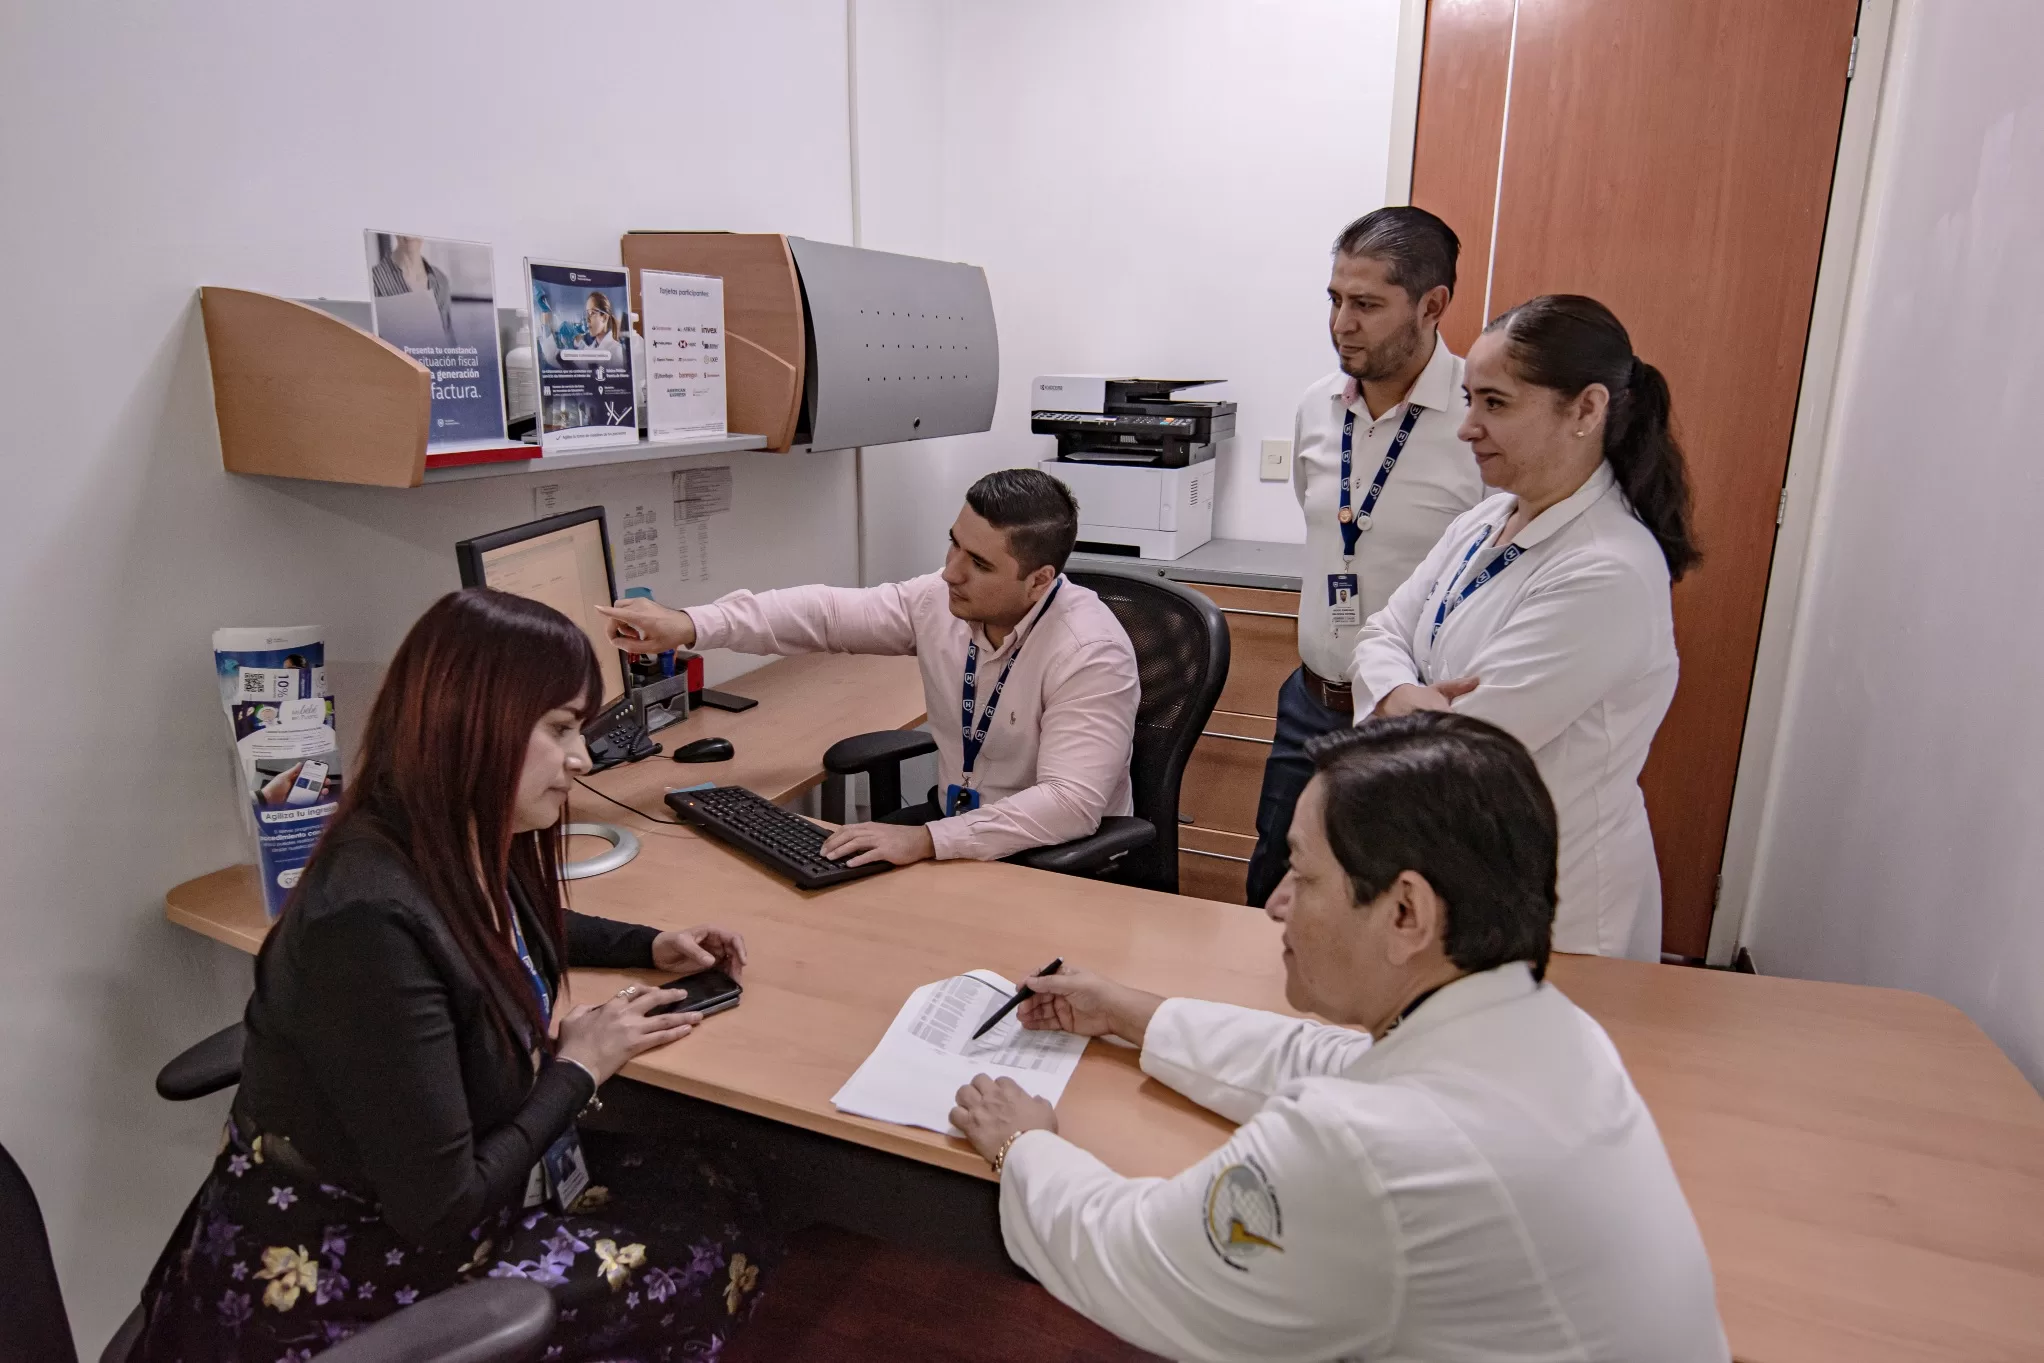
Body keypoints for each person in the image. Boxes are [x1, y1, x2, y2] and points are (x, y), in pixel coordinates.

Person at [949, 714, 1729, 1362]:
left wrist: (1023, 1146)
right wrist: (1126, 1012)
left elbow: (1133, 1258)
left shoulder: (1371, 1148)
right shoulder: (1548, 1028)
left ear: (1405, 914)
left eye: (1304, 874)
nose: (1276, 905)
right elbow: (1331, 1060)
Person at [137, 589, 777, 1361]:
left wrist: (651, 943)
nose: (581, 757)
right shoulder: (366, 921)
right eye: (560, 728)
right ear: (473, 721)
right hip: (354, 1274)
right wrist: (579, 1066)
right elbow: (441, 1209)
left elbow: (493, 923)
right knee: (704, 1241)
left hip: (446, 1193)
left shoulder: (451, 834)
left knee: (725, 1177)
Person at [1352, 294, 1696, 958]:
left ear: (1587, 410)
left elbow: (1470, 748)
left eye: (1496, 403)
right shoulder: (1486, 520)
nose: (1466, 426)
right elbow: (1380, 632)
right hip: (1466, 869)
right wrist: (1401, 696)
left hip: (1556, 904)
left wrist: (1410, 705)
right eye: (1470, 399)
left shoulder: (1606, 569)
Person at [599, 468, 1139, 867]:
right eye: (954, 544)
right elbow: (825, 613)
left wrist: (927, 840)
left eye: (979, 564)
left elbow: (1071, 805)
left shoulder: (1089, 652)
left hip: (1055, 856)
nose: (951, 573)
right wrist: (690, 623)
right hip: (951, 828)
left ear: (1040, 580)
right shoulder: (938, 601)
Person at [1245, 206, 1486, 906]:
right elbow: (1328, 533)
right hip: (1312, 703)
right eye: (1335, 299)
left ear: (1432, 306)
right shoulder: (1317, 408)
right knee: (1272, 889)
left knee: (1392, 910)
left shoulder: (1481, 420)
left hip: (1410, 722)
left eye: (1367, 304)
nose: (1341, 323)